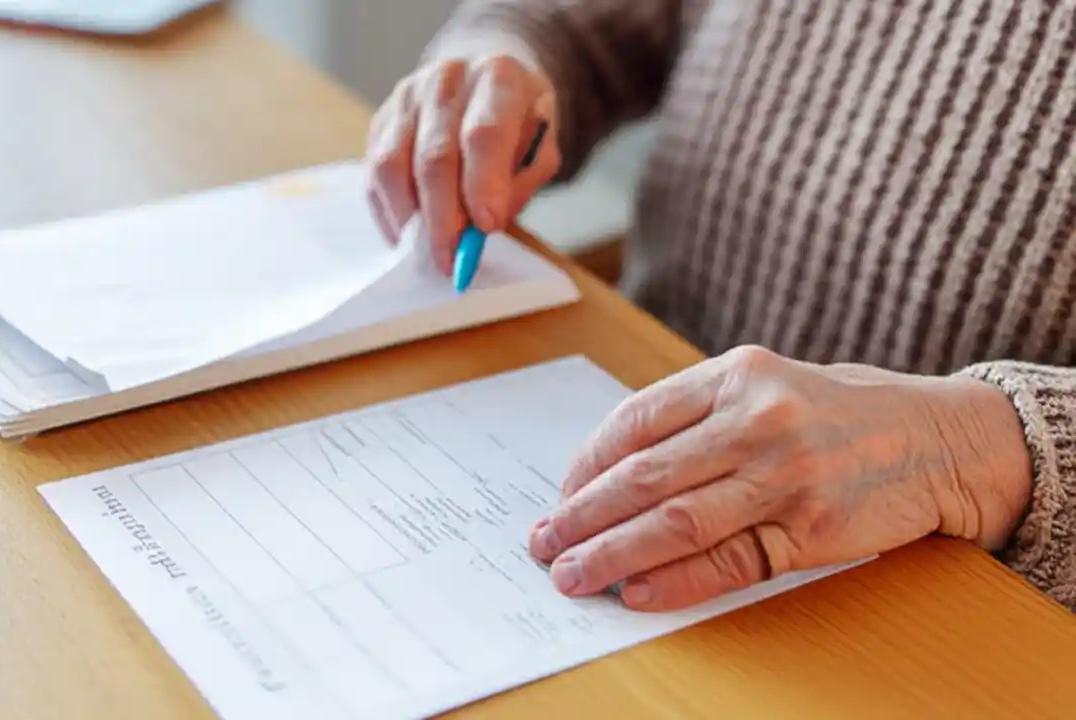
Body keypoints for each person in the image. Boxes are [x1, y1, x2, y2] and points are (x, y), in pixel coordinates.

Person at [365, 0, 1076, 612]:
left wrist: (968, 448)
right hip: (621, 391)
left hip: (948, 598)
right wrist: (502, 56)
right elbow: (584, 20)